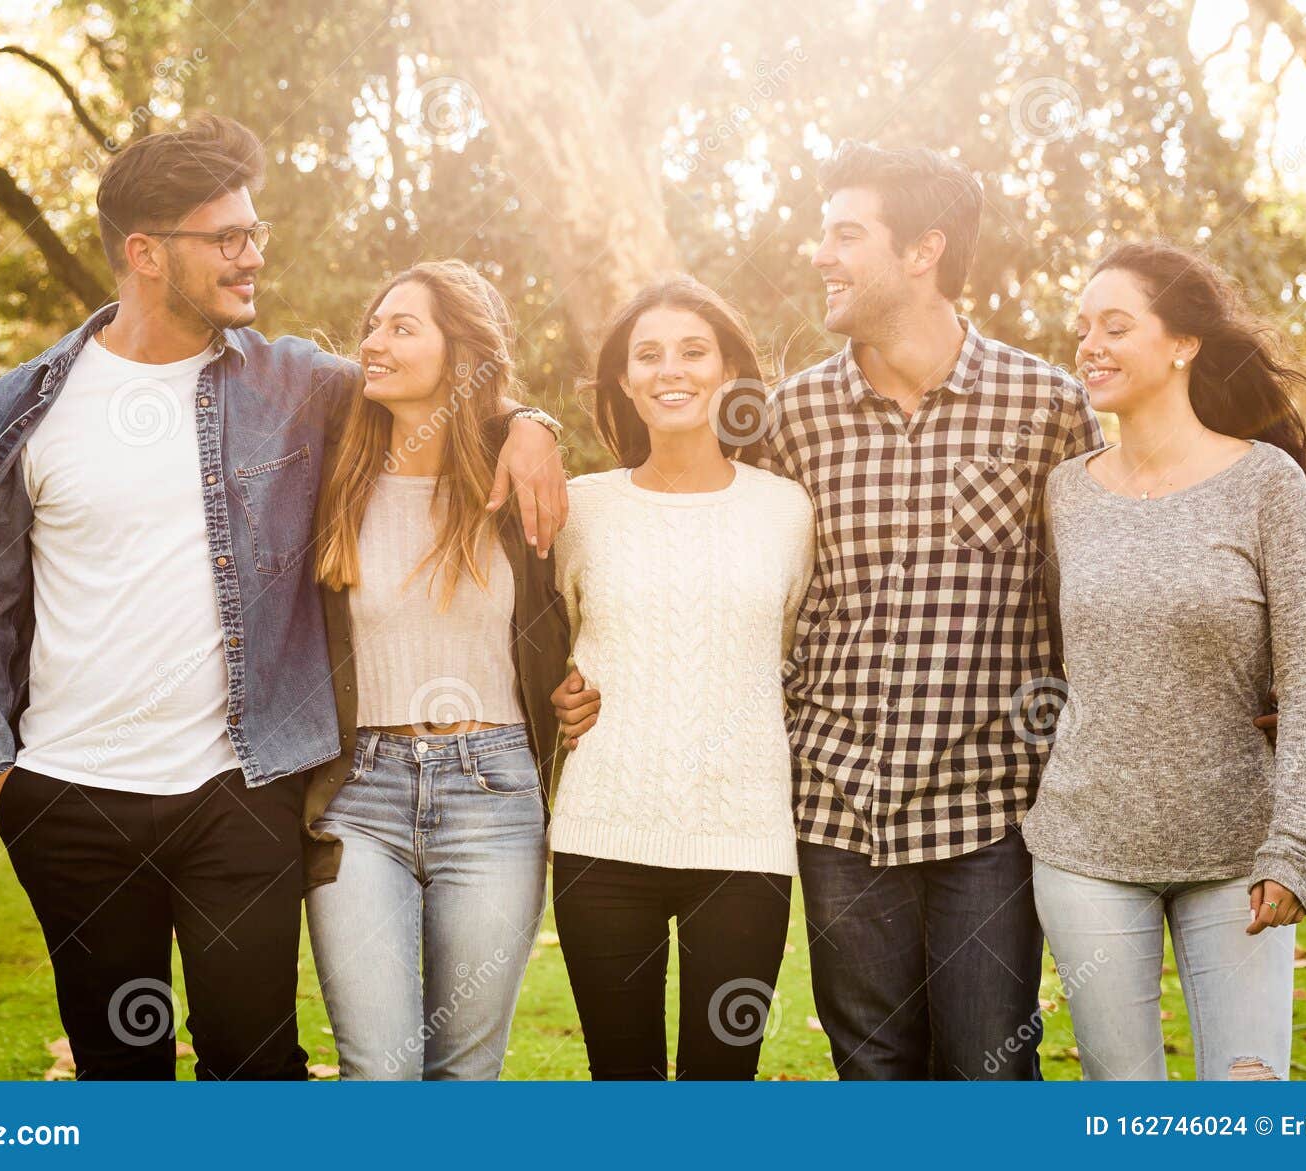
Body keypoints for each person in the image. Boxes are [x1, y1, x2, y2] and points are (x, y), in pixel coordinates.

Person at [0, 116, 565, 1080]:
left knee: (256, 1063)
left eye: (253, 233)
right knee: (120, 1071)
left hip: (240, 794)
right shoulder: (15, 414)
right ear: (144, 251)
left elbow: (434, 380)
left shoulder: (297, 384)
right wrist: (3, 787)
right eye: (227, 239)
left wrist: (531, 423)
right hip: (70, 800)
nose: (252, 256)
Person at [555, 143, 1103, 1079]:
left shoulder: (1047, 403)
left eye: (846, 234)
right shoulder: (792, 416)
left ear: (922, 250)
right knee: (873, 1071)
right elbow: (711, 562)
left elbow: (1093, 591)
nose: (820, 254)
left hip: (990, 807)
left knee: (988, 1068)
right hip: (839, 808)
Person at [1022, 240, 1306, 1081]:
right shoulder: (1067, 491)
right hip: (1088, 848)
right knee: (1127, 1111)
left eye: (1116, 325)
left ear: (1183, 342)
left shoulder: (1266, 484)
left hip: (1238, 852)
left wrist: (1293, 845)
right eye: (1082, 326)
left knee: (1247, 1101)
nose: (1089, 344)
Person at [301, 261, 570, 1080]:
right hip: (359, 794)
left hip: (494, 794)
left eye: (401, 327)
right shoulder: (328, 478)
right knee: (378, 1071)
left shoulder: (520, 486)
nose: (372, 343)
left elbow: (591, 617)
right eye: (373, 325)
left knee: (464, 1073)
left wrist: (532, 420)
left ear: (462, 353)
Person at [550, 276, 814, 1079]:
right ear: (625, 382)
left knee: (720, 1086)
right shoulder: (578, 508)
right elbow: (546, 644)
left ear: (729, 369)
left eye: (694, 351)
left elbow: (787, 643)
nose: (673, 370)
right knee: (621, 1083)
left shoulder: (786, 509)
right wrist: (560, 687)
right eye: (649, 354)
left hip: (743, 841)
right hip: (601, 839)